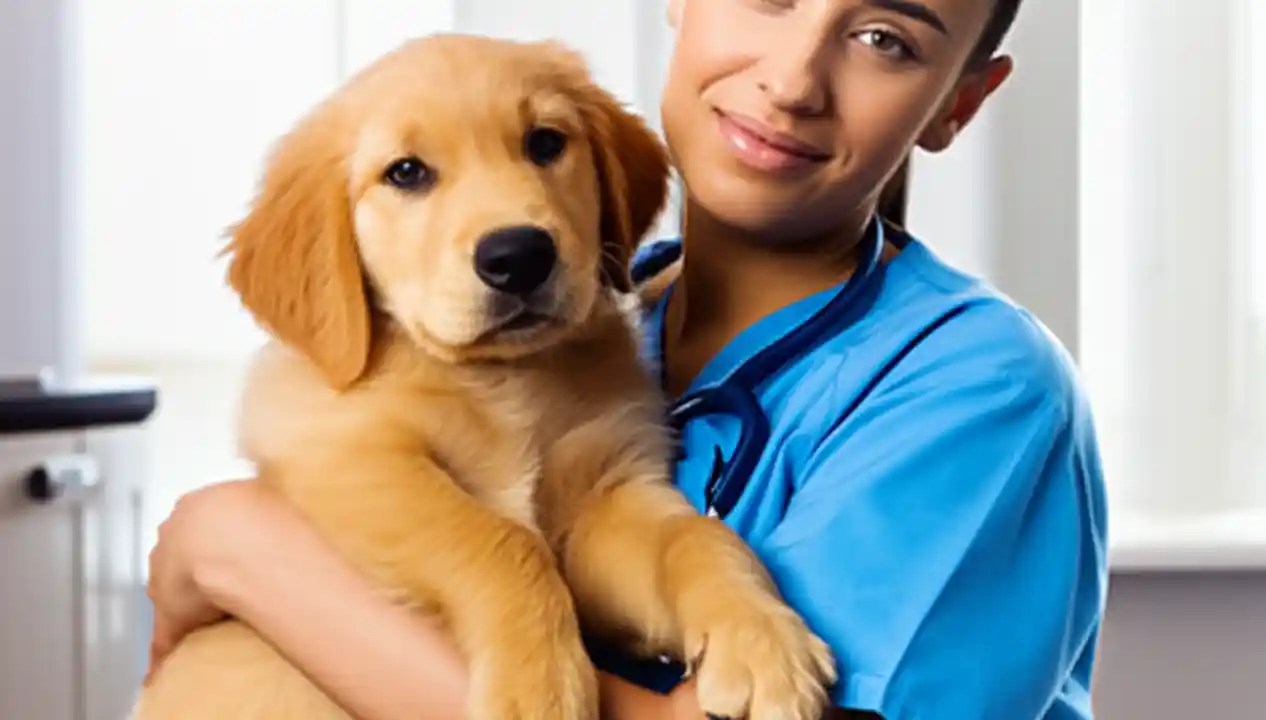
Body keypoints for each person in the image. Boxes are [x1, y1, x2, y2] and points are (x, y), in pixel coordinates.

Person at [145, 0, 1109, 717]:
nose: (792, 79)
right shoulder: (617, 320)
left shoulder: (977, 391)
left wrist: (238, 549)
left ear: (958, 104)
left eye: (885, 40)